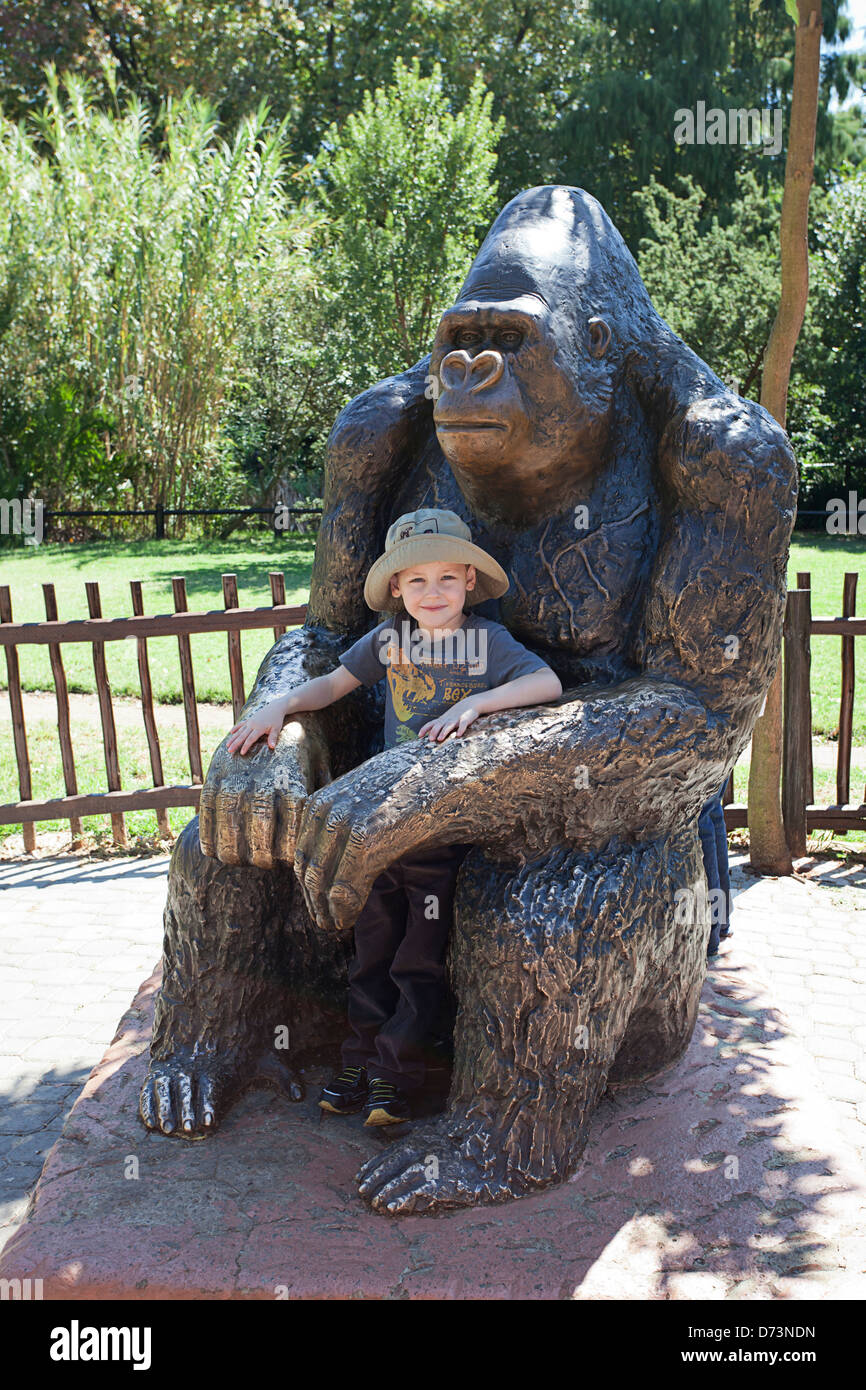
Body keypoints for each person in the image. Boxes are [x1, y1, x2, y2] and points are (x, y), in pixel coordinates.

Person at [226, 508, 563, 1125]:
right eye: (416, 582)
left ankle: (401, 1078)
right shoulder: (390, 641)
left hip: (438, 829)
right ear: (397, 591)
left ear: (469, 581)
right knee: (371, 948)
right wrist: (279, 706)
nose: (432, 594)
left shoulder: (487, 643)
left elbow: (547, 684)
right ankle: (360, 1060)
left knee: (420, 955)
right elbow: (331, 685)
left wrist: (483, 702)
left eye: (446, 580)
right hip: (380, 824)